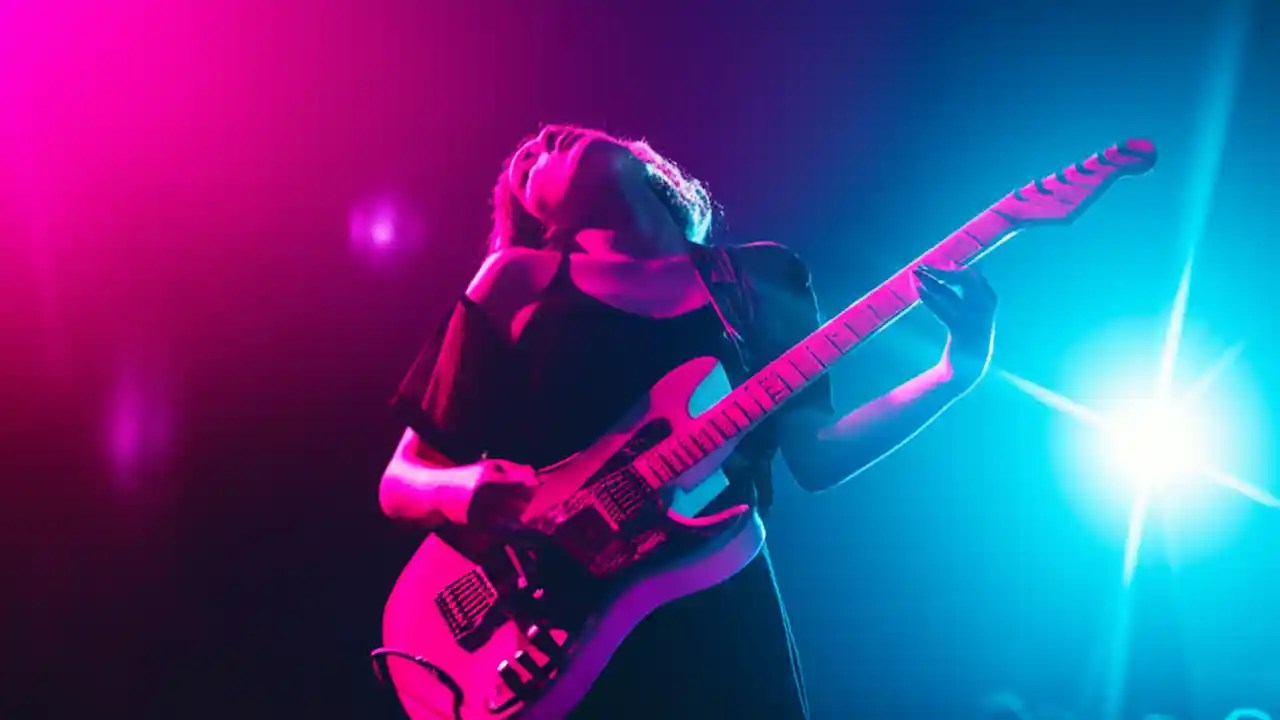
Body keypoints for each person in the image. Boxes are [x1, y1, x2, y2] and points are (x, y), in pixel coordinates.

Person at [379, 124, 997, 719]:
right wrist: (460, 491)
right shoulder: (517, 282)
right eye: (526, 164)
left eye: (558, 134)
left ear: (636, 157)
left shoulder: (760, 277)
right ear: (538, 218)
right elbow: (401, 480)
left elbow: (818, 453)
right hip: (551, 621)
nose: (542, 141)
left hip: (716, 608)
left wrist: (953, 373)